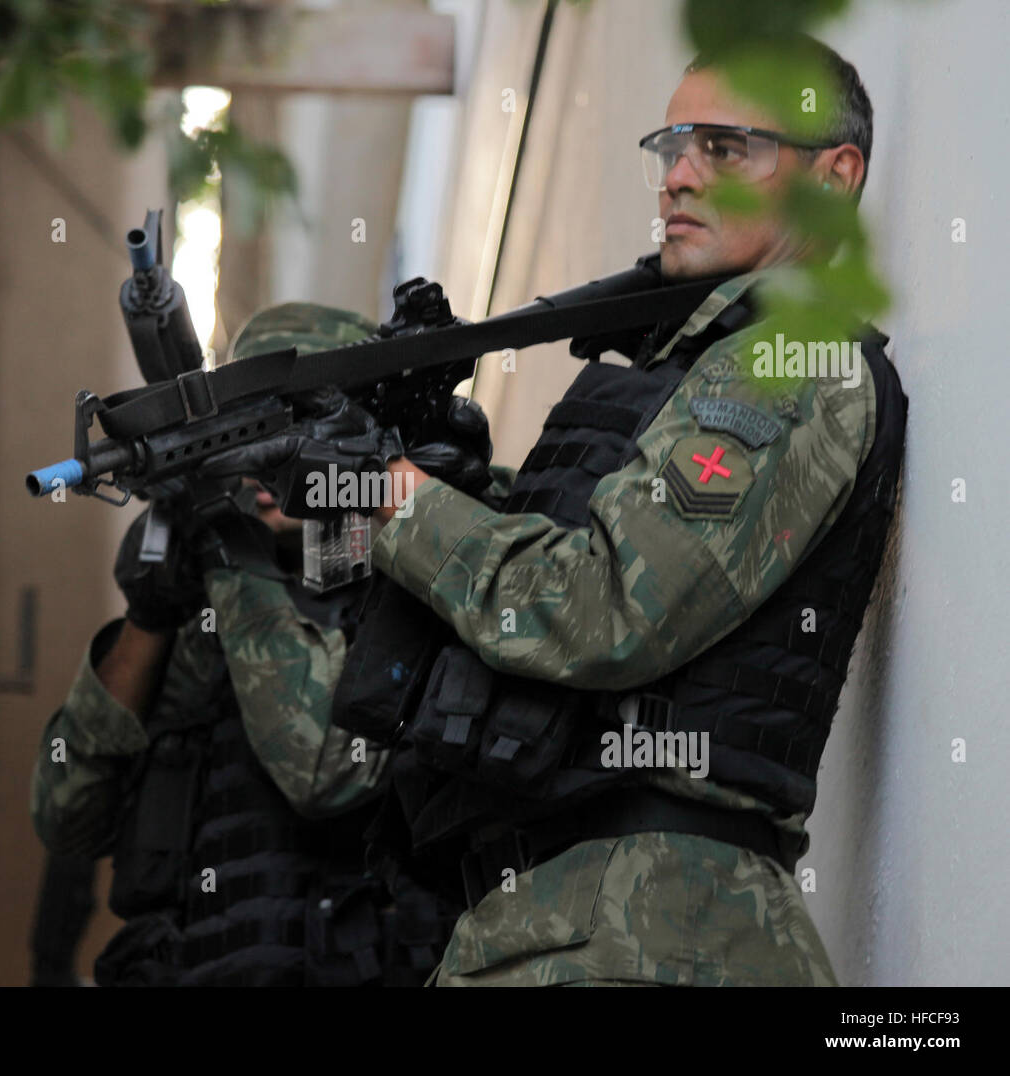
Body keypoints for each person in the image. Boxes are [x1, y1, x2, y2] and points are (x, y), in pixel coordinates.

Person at [203, 35, 907, 986]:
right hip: (564, 924)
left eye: (727, 150)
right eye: (673, 149)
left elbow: (598, 610)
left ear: (833, 177)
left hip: (650, 930)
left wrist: (389, 491)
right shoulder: (689, 367)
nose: (680, 179)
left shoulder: (793, 362)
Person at [29, 303, 471, 987]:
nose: (267, 464)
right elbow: (67, 818)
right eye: (247, 432)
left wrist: (224, 546)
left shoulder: (426, 572)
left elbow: (320, 767)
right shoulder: (209, 607)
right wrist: (151, 614)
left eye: (290, 427)